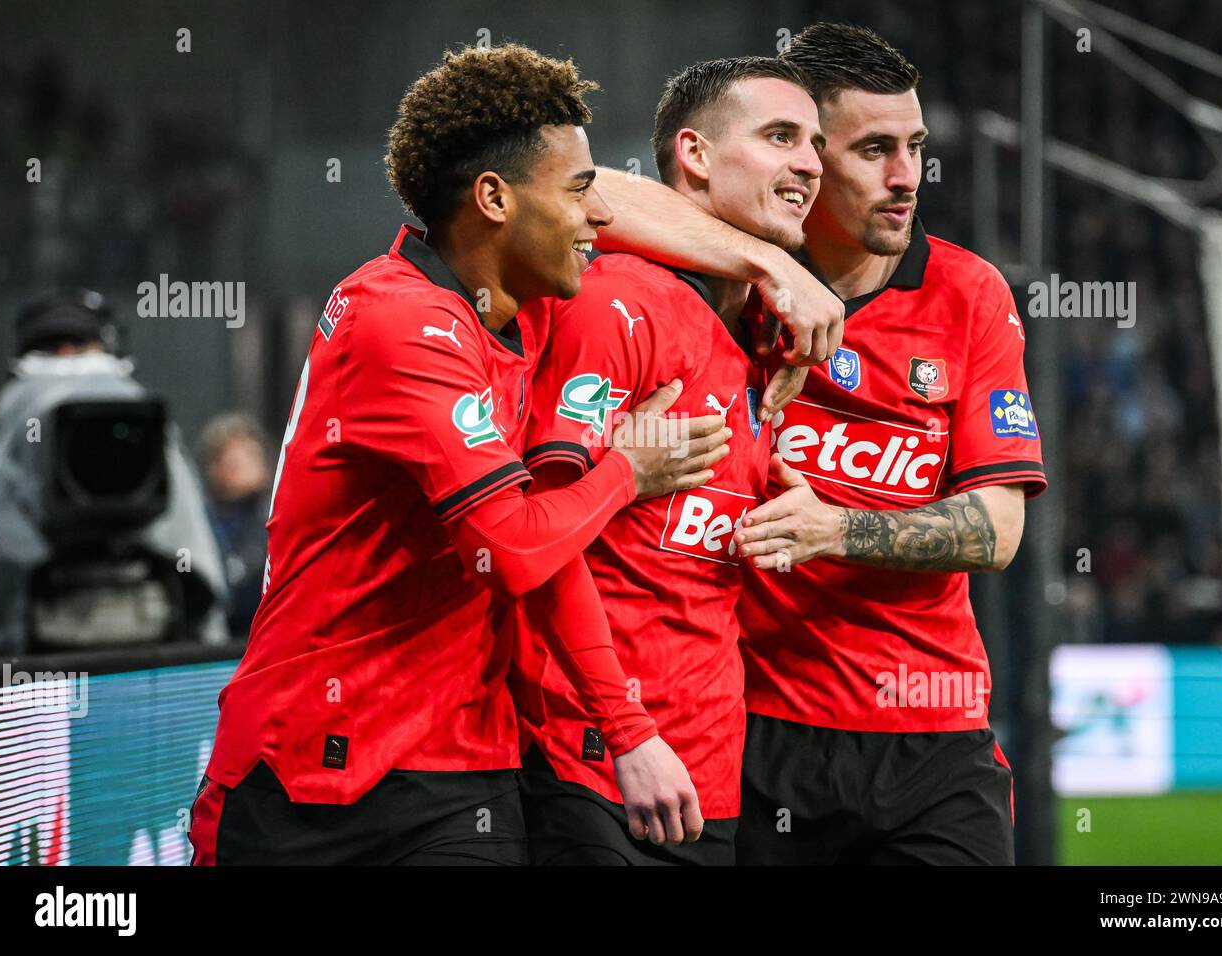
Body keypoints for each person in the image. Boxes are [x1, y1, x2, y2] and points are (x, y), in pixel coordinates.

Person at [188, 44, 732, 866]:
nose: (599, 218)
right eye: (578, 193)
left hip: (466, 767)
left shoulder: (529, 312)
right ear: (494, 200)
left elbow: (551, 551)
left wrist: (626, 731)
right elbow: (513, 547)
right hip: (313, 770)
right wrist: (627, 472)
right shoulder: (398, 322)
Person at [592, 23, 1047, 865]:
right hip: (762, 738)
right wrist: (774, 269)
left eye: (913, 146)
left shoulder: (966, 293)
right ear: (801, 160)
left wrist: (832, 528)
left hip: (931, 732)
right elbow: (592, 194)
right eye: (872, 150)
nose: (907, 177)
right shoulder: (729, 289)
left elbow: (998, 530)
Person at [513, 56, 824, 865]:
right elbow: (540, 540)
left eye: (816, 146)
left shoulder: (761, 341)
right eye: (780, 136)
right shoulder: (615, 298)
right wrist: (627, 734)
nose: (810, 165)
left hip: (707, 773)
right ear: (693, 155)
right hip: (593, 764)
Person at [0, 290, 227, 653]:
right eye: (55, 344)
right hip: (136, 634)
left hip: (39, 642)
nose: (67, 354)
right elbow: (191, 543)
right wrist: (205, 635)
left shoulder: (11, 414)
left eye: (77, 342)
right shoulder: (133, 403)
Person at [196, 412, 273, 640]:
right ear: (213, 468)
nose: (239, 464)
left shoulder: (279, 515)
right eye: (230, 459)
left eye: (250, 455)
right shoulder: (201, 521)